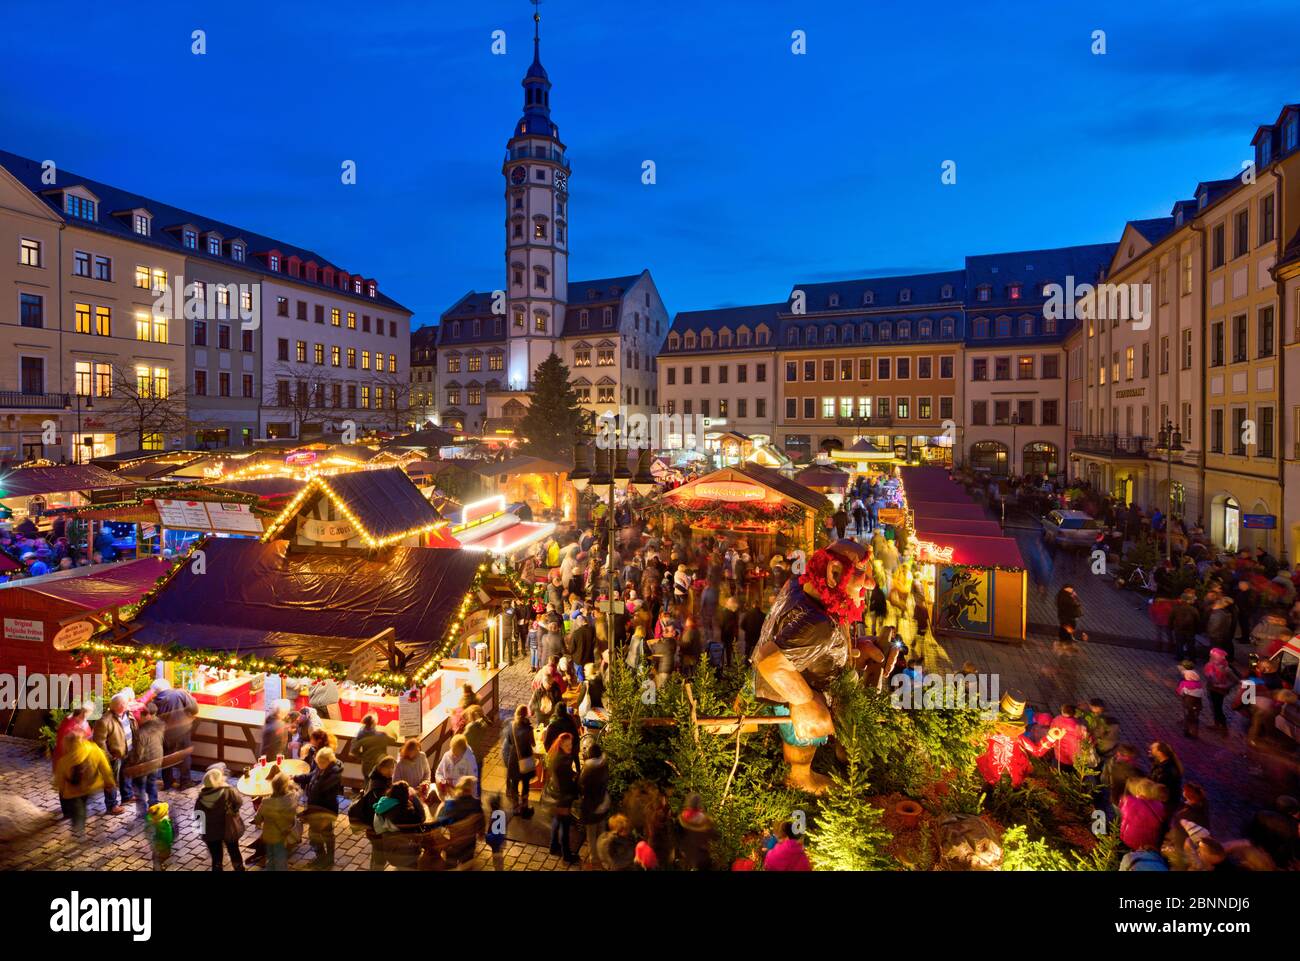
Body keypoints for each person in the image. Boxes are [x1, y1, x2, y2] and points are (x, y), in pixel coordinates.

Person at [52, 731, 115, 837]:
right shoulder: (94, 750)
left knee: (78, 809)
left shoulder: (64, 761)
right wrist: (109, 782)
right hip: (91, 785)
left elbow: (60, 779)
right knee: (85, 803)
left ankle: (78, 831)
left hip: (74, 791)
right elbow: (105, 767)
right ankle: (89, 825)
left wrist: (61, 789)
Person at [150, 678, 198, 790]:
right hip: (181, 730)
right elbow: (194, 709)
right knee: (184, 755)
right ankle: (185, 782)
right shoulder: (179, 693)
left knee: (166, 756)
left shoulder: (153, 703)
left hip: (164, 734)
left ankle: (168, 782)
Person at [93, 692, 137, 814]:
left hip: (128, 751)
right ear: (121, 706)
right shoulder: (104, 721)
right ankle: (112, 805)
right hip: (115, 757)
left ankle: (127, 796)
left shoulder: (128, 714)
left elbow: (134, 729)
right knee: (110, 781)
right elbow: (99, 743)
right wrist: (109, 757)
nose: (129, 705)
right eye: (127, 703)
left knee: (126, 774)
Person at [196, 767, 246, 871]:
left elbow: (198, 816)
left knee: (216, 857)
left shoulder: (200, 798)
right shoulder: (228, 791)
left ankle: (217, 868)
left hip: (211, 833)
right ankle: (239, 868)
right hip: (228, 829)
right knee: (234, 851)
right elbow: (239, 803)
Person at [304, 746, 343, 869]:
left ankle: (327, 860)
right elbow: (311, 776)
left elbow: (320, 791)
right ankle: (323, 858)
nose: (318, 764)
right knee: (318, 835)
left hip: (324, 812)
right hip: (316, 810)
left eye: (320, 762)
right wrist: (295, 777)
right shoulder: (322, 769)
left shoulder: (332, 775)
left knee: (323, 835)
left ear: (328, 761)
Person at [253, 773, 300, 871]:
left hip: (269, 835)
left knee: (271, 857)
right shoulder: (292, 799)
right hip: (284, 835)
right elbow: (297, 791)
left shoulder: (266, 802)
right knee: (280, 859)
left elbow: (257, 819)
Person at [546, 731, 580, 864]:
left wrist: (573, 774)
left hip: (557, 796)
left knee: (557, 821)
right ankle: (566, 856)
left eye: (570, 744)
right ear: (561, 745)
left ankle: (553, 847)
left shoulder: (557, 756)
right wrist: (575, 781)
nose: (570, 747)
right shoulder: (563, 761)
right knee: (564, 828)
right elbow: (566, 782)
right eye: (567, 745)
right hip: (563, 798)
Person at [577, 739, 610, 867]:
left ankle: (595, 858)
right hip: (603, 802)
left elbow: (581, 785)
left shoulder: (588, 769)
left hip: (591, 806)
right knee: (601, 831)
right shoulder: (604, 764)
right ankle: (603, 855)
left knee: (591, 834)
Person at [129, 701, 166, 814]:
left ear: (148, 715)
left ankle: (141, 810)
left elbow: (139, 753)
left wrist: (132, 765)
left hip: (145, 763)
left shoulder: (142, 733)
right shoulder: (160, 724)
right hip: (157, 759)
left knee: (139, 786)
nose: (139, 717)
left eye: (142, 714)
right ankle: (153, 804)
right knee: (152, 782)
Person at [502, 705, 536, 818]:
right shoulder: (529, 729)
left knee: (514, 783)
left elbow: (510, 741)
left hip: (514, 758)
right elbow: (533, 743)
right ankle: (524, 806)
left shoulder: (511, 726)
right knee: (526, 784)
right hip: (526, 757)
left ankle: (515, 807)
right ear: (526, 715)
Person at [1119, 777, 1167, 851]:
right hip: (1147, 844)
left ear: (1139, 791)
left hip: (1128, 840)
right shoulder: (1159, 806)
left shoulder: (1129, 801)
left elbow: (1122, 814)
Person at [350, 714, 399, 781]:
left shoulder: (361, 736)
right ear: (374, 724)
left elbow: (353, 750)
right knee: (379, 784)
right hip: (380, 765)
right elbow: (393, 740)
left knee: (367, 784)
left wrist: (363, 756)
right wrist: (390, 729)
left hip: (367, 766)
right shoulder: (382, 735)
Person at [677, 792, 717, 871]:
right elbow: (714, 835)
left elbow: (678, 836)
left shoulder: (681, 818)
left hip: (686, 854)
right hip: (701, 856)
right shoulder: (705, 820)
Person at [1202, 648, 1237, 735]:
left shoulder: (1226, 669)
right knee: (1213, 707)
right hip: (1211, 689)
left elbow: (1236, 681)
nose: (1211, 658)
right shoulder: (1209, 665)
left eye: (1213, 657)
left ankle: (1223, 727)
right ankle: (1216, 724)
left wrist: (1225, 686)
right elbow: (1207, 677)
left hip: (1220, 692)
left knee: (1218, 708)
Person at [435, 734, 479, 800]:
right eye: (453, 752)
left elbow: (472, 782)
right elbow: (438, 772)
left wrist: (453, 782)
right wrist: (441, 780)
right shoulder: (447, 755)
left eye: (457, 755)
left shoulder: (470, 760)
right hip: (446, 794)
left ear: (463, 752)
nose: (453, 757)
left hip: (461, 797)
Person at [462, 705, 493, 773]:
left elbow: (461, 741)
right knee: (477, 780)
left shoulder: (470, 728)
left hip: (470, 760)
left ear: (471, 716)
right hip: (479, 758)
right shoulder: (482, 725)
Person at [1176, 666, 1205, 739]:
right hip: (1197, 704)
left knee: (1187, 717)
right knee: (1195, 718)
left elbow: (1180, 692)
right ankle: (1195, 733)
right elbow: (1202, 694)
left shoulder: (1184, 683)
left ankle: (1187, 731)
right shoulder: (1199, 684)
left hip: (1188, 703)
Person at [144, 801, 174, 871]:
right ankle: (159, 867)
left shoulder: (151, 818)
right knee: (161, 857)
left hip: (155, 844)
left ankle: (158, 865)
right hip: (163, 846)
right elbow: (167, 836)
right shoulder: (164, 824)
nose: (168, 811)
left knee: (156, 857)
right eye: (167, 811)